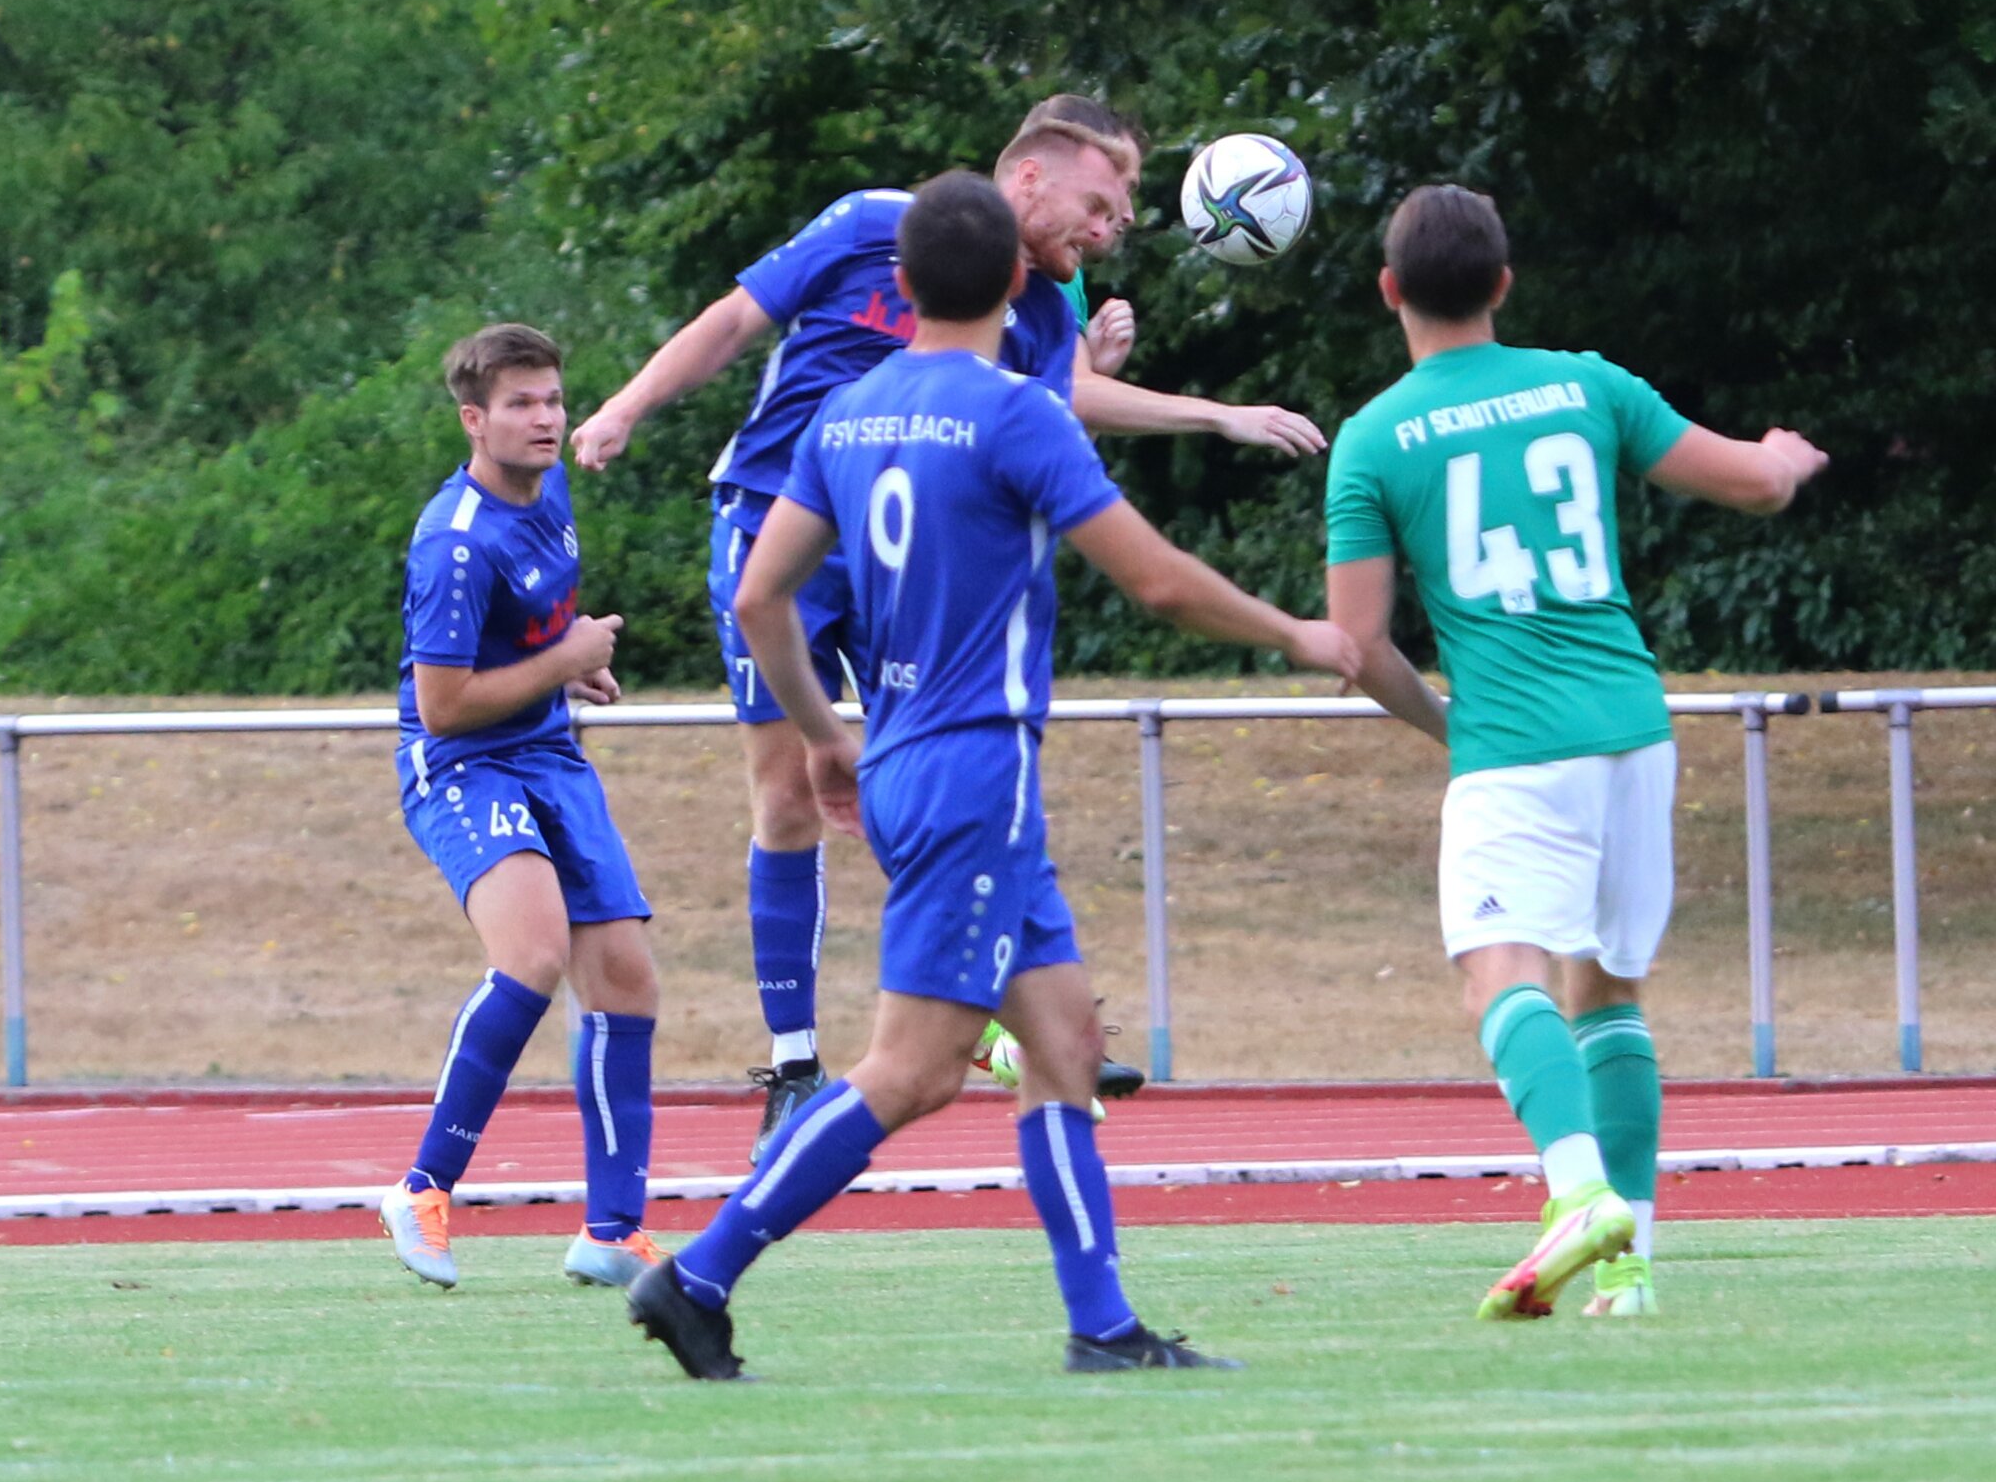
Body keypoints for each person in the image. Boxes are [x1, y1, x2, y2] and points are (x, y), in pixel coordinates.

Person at [623, 171, 1359, 1379]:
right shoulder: (1019, 412)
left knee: (1063, 1041)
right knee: (910, 1072)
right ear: (1020, 279)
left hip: (906, 753)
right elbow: (1159, 580)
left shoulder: (846, 411)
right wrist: (1301, 635)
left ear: (899, 284)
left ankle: (1105, 1327)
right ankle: (697, 1274)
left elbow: (760, 596)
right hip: (975, 771)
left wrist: (819, 731)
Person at [572, 95, 1322, 1161]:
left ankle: (1002, 1014)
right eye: (1100, 205)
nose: (1109, 233)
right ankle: (794, 1064)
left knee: (932, 774)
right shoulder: (876, 222)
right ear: (1030, 179)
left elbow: (1048, 400)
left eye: (1121, 217)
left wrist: (1200, 408)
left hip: (903, 546)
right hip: (771, 520)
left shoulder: (1044, 297)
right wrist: (625, 406)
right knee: (789, 789)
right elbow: (736, 318)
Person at [1322, 185, 1828, 1319]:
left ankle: (1574, 1189)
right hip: (1633, 730)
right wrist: (1786, 457)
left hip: (1513, 748)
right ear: (1502, 284)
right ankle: (1631, 1270)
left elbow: (1355, 647)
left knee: (1498, 975)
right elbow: (1748, 482)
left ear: (1389, 292)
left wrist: (1449, 725)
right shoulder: (1584, 383)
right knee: (1607, 995)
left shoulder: (1371, 438)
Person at [379, 324, 667, 1292]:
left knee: (623, 976)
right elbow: (443, 704)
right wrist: (562, 660)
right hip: (461, 762)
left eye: (551, 398)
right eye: (520, 403)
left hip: (545, 749)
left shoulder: (551, 485)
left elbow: (536, 636)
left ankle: (613, 1230)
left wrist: (569, 671)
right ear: (474, 419)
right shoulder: (453, 543)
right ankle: (421, 1185)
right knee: (535, 954)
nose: (545, 417)